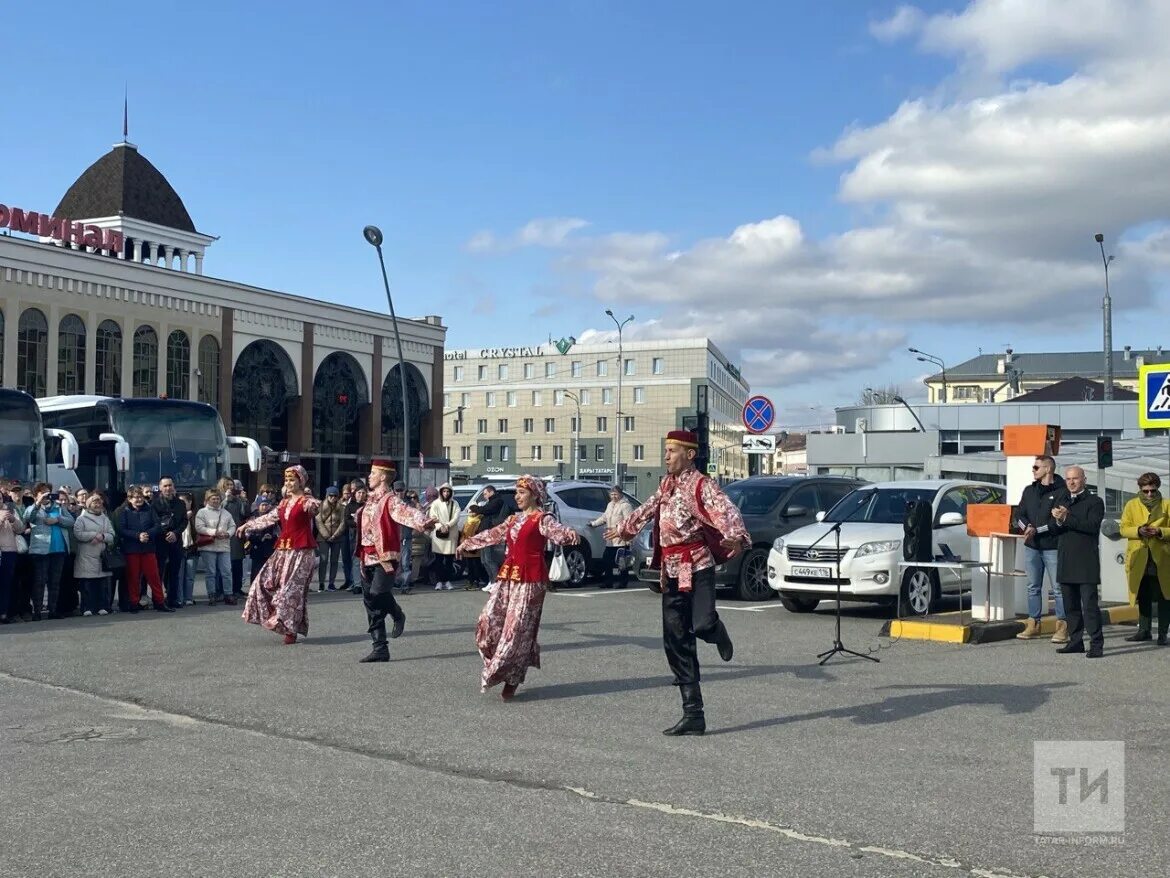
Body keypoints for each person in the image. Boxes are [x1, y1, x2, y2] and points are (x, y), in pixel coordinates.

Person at [608, 430, 749, 736]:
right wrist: (625, 528)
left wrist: (735, 535)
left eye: (672, 450)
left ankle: (716, 629)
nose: (667, 455)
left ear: (690, 454)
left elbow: (726, 510)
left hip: (698, 565)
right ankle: (693, 713)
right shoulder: (665, 485)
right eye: (666, 450)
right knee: (676, 640)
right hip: (670, 572)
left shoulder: (702, 484)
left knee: (701, 623)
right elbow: (646, 508)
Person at [456, 475, 580, 699]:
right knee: (487, 622)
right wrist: (468, 542)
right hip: (508, 578)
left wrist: (569, 534)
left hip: (531, 581)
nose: (517, 497)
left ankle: (512, 677)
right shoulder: (513, 519)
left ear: (534, 495)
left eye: (522, 493)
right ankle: (501, 665)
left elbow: (556, 530)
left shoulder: (542, 519)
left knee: (517, 631)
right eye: (517, 493)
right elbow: (493, 534)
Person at [354, 460, 435, 662]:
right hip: (366, 557)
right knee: (370, 602)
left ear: (383, 476)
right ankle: (380, 648)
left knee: (378, 593)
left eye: (373, 473)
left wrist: (423, 521)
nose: (369, 476)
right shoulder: (369, 501)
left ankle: (397, 614)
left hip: (385, 558)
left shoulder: (390, 500)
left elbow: (407, 512)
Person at [239, 466, 319, 645]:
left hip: (301, 552)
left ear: (301, 481)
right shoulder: (283, 503)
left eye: (292, 480)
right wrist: (247, 526)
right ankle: (280, 621)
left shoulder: (305, 501)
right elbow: (267, 518)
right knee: (262, 582)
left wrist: (313, 503)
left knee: (290, 592)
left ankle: (290, 629)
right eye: (287, 480)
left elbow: (314, 508)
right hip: (283, 551)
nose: (289, 483)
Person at [1052, 465, 1106, 658]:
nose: (1071, 483)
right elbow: (1054, 528)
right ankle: (1075, 641)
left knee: (1089, 606)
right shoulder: (1062, 499)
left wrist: (1067, 517)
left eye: (1075, 479)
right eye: (1068, 479)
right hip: (1066, 560)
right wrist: (1058, 521)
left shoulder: (1095, 501)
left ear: (1084, 479)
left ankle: (1096, 644)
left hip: (1085, 562)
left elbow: (1091, 527)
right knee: (1070, 606)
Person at [1014, 455, 1068, 643]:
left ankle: (1062, 626)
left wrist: (1037, 530)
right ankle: (1033, 624)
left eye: (1036, 467)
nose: (1033, 470)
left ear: (1048, 469)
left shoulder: (1062, 492)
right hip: (1032, 547)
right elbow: (1018, 514)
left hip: (1052, 547)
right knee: (1033, 586)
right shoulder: (1029, 490)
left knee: (1058, 588)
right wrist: (1026, 526)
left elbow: (1058, 522)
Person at [1119, 472, 1170, 645]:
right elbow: (1123, 528)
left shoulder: (1166, 504)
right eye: (1146, 490)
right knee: (1143, 593)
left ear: (1157, 489)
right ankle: (1144, 630)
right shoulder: (1131, 505)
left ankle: (1163, 633)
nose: (1149, 494)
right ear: (1140, 489)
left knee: (1165, 595)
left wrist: (1161, 531)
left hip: (1161, 558)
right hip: (1140, 556)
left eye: (1153, 491)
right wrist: (1138, 530)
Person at [23, 483, 75, 619]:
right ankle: (37, 611)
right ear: (36, 495)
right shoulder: (33, 508)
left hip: (58, 549)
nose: (47, 495)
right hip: (40, 550)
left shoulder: (59, 507)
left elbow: (71, 521)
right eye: (43, 493)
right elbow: (28, 518)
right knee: (39, 581)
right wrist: (38, 503)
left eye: (48, 492)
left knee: (55, 582)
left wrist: (57, 519)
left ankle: (53, 610)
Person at [117, 487, 173, 613]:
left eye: (141, 497)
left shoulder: (149, 510)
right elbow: (122, 529)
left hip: (148, 548)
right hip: (132, 549)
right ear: (130, 499)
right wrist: (138, 535)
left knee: (154, 577)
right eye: (136, 497)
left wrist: (147, 534)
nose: (139, 499)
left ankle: (159, 602)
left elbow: (157, 525)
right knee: (133, 578)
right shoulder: (124, 512)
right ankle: (134, 603)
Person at [73, 494, 115, 616]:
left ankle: (102, 606)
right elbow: (78, 534)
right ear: (89, 505)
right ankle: (87, 607)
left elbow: (112, 535)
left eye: (99, 503)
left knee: (102, 584)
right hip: (86, 555)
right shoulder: (81, 519)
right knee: (87, 584)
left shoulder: (105, 519)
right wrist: (94, 535)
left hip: (102, 555)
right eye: (94, 503)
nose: (97, 505)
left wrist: (102, 537)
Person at [196, 489, 237, 606]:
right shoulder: (201, 512)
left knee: (227, 572)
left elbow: (233, 526)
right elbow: (199, 527)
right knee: (211, 572)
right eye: (213, 498)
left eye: (218, 498)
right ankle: (212, 595)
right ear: (207, 500)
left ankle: (228, 594)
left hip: (223, 546)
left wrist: (228, 533)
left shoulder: (226, 513)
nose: (216, 500)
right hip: (208, 547)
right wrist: (214, 532)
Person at [153, 476, 188, 610]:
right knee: (159, 572)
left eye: (170, 485)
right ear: (160, 488)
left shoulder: (180, 504)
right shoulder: (155, 504)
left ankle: (172, 599)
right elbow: (154, 522)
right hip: (160, 542)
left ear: (174, 487)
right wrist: (166, 533)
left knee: (174, 572)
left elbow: (184, 521)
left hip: (176, 541)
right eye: (165, 486)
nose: (168, 488)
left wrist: (175, 533)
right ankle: (158, 600)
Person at [591, 485, 635, 590]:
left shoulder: (625, 505)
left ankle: (623, 582)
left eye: (616, 494)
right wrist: (593, 524)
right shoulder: (610, 505)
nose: (613, 496)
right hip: (610, 538)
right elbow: (604, 517)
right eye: (612, 494)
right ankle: (608, 582)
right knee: (607, 560)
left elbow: (628, 522)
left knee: (622, 562)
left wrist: (626, 537)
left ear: (621, 494)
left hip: (621, 538)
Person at [428, 483, 461, 590]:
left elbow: (456, 516)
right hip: (439, 534)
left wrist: (447, 525)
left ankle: (447, 581)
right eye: (444, 491)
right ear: (441, 492)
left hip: (451, 534)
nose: (446, 493)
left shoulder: (455, 503)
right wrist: (440, 526)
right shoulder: (436, 503)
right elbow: (433, 517)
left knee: (449, 560)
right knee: (438, 560)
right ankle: (438, 581)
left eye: (448, 491)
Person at [315, 486, 346, 591]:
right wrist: (327, 536)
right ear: (327, 496)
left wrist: (335, 535)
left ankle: (331, 583)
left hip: (337, 537)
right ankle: (321, 582)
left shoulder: (341, 508)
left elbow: (343, 523)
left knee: (334, 561)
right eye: (331, 496)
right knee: (323, 560)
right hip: (323, 537)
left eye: (335, 496)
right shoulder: (320, 506)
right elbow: (318, 522)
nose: (333, 498)